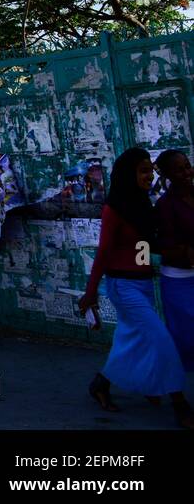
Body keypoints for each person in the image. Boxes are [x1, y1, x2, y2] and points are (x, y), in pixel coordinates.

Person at [79, 146, 192, 428]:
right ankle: (179, 403)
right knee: (161, 340)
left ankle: (101, 383)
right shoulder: (113, 208)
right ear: (128, 174)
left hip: (143, 285)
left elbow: (150, 244)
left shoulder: (143, 204)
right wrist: (91, 293)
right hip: (123, 287)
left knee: (132, 342)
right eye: (142, 171)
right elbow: (104, 253)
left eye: (150, 171)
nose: (148, 176)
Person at [155, 150, 194, 373]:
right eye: (179, 169)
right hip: (180, 282)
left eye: (187, 166)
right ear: (168, 175)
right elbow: (163, 246)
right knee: (185, 341)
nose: (186, 172)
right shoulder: (166, 205)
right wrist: (185, 252)